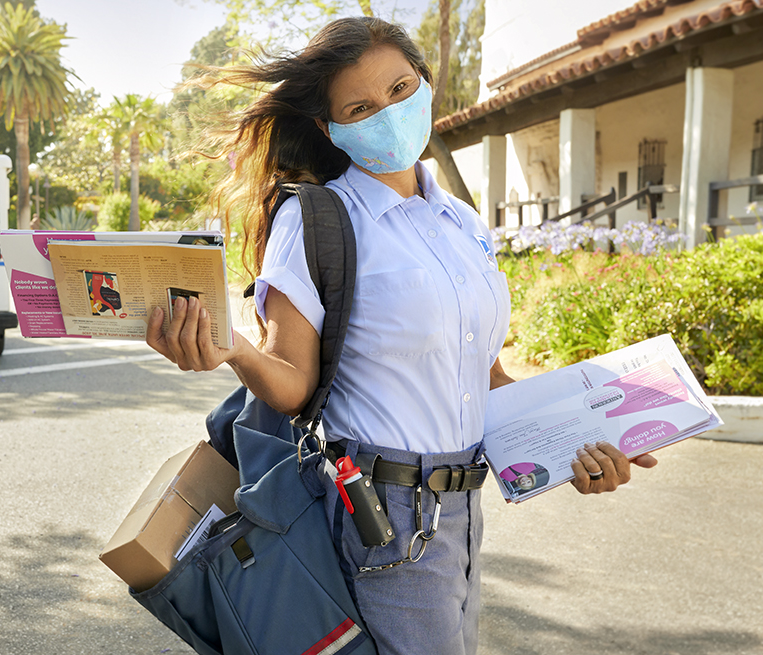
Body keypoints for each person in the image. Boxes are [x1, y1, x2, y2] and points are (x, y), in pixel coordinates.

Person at [145, 16, 659, 655]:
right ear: (329, 129)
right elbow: (294, 383)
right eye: (360, 108)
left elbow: (484, 377)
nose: (388, 114)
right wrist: (232, 349)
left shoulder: (463, 222)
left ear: (425, 81)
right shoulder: (318, 219)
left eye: (399, 89)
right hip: (383, 515)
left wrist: (578, 441)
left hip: (463, 511)